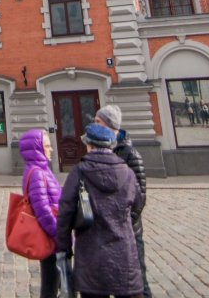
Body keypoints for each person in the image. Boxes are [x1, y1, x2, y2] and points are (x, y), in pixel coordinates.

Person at [56, 123, 144, 298]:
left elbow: (65, 211)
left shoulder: (80, 171)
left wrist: (63, 247)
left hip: (91, 254)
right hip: (124, 252)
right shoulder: (127, 172)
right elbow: (137, 203)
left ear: (89, 145)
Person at [95, 105, 151, 298]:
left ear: (110, 125)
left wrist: (125, 223)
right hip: (108, 231)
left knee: (138, 282)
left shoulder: (130, 154)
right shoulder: (102, 150)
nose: (94, 125)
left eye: (98, 122)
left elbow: (139, 197)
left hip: (129, 231)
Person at [19, 129, 60, 298]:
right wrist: (59, 234)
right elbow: (43, 211)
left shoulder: (42, 169)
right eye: (47, 146)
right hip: (50, 236)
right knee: (50, 284)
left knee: (55, 279)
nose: (51, 149)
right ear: (38, 148)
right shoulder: (37, 173)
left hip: (52, 234)